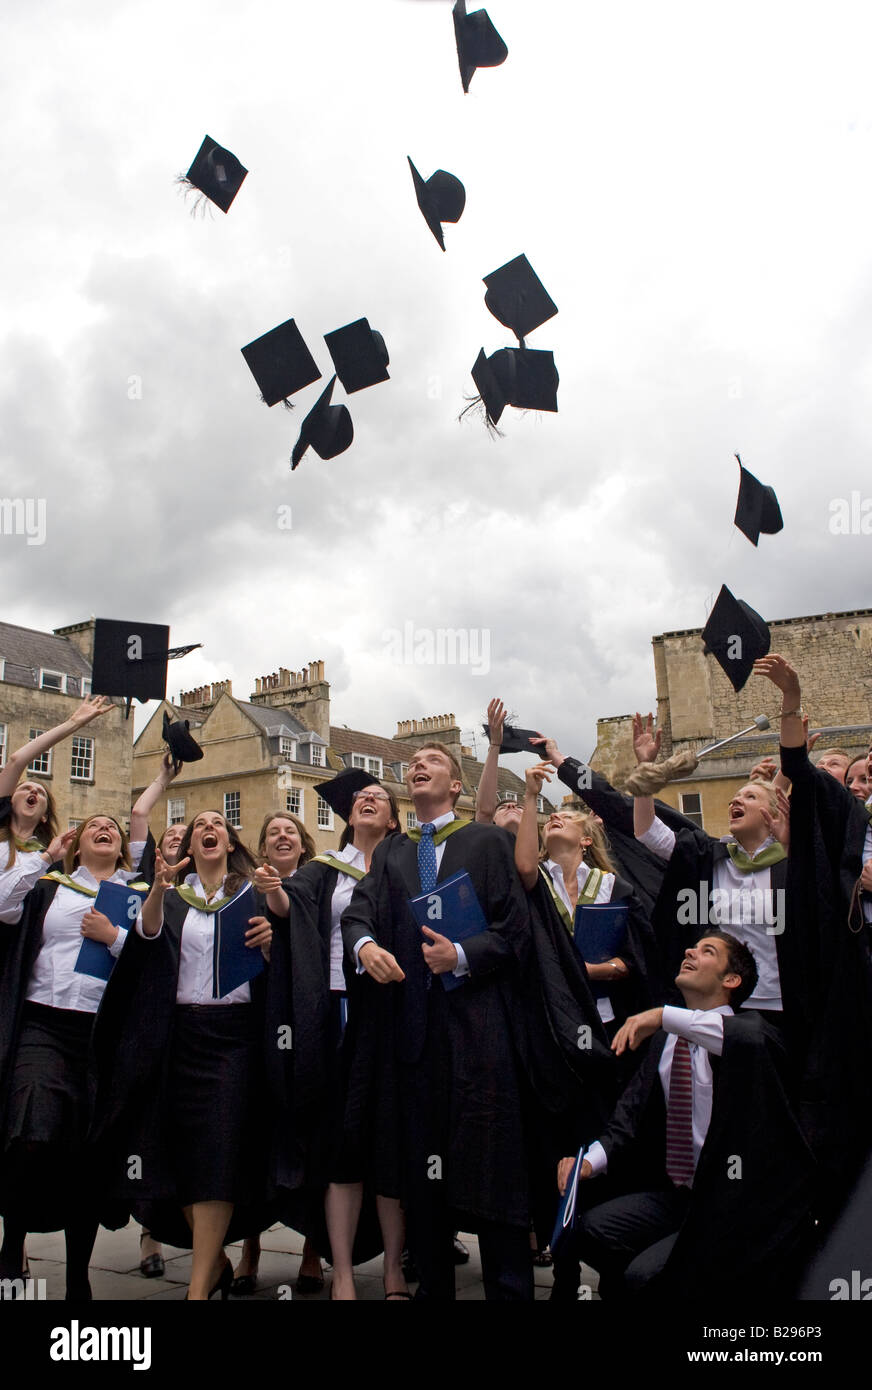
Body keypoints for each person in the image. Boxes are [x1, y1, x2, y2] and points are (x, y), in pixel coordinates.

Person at [341, 742, 535, 1301]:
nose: (417, 767)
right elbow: (358, 913)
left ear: (456, 785)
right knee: (423, 1177)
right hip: (415, 1033)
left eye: (433, 761)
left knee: (492, 1161)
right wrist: (366, 946)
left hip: (480, 1030)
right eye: (412, 764)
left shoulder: (488, 842)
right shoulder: (393, 855)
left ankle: (507, 1287)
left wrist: (463, 956)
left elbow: (514, 930)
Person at [558, 931, 814, 1297]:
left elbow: (741, 1038)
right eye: (692, 946)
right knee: (593, 1231)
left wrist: (663, 1015)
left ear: (731, 980)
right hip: (677, 1198)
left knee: (643, 1278)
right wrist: (587, 1162)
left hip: (731, 1205)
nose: (690, 951)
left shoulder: (752, 1037)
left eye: (707, 951)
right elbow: (625, 1120)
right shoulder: (665, 1038)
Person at [90, 810, 279, 1300]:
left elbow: (280, 954)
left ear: (229, 839)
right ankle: (213, 1262)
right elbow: (146, 937)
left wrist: (270, 944)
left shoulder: (250, 892)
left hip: (234, 1037)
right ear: (191, 845)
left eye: (218, 823)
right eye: (199, 826)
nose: (209, 828)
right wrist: (156, 887)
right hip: (180, 1035)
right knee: (180, 1156)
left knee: (217, 1152)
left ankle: (197, 1292)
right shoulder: (173, 897)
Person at [0, 810, 148, 1301]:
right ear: (76, 844)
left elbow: (155, 961)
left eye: (113, 827)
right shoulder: (49, 887)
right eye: (93, 827)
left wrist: (114, 936)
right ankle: (12, 1242)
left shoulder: (136, 896)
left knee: (85, 1155)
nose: (105, 829)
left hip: (100, 1034)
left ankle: (78, 1277)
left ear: (122, 846)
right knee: (30, 1133)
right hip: (43, 1023)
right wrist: (45, 855)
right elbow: (3, 904)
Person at [280, 774, 410, 1301]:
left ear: (396, 820)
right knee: (341, 1140)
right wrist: (273, 906)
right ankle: (343, 1274)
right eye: (360, 799)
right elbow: (289, 909)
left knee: (391, 1139)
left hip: (392, 1007)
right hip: (336, 1005)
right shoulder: (324, 871)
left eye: (378, 798)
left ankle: (396, 1269)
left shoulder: (408, 869)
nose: (366, 801)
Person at [754, 654, 872, 1226]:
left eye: (861, 776)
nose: (859, 783)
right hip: (840, 994)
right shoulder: (838, 823)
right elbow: (798, 766)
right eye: (854, 777)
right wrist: (792, 701)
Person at [631, 712, 795, 1039]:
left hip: (783, 1001)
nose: (736, 799)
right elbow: (648, 832)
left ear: (773, 813)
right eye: (735, 797)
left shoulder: (794, 862)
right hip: (722, 1003)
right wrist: (645, 770)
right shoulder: (710, 856)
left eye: (750, 796)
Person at [230, 809, 317, 1296]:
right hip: (260, 1017)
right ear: (263, 848)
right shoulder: (245, 891)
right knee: (258, 1131)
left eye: (290, 831)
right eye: (272, 834)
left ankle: (311, 1247)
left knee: (307, 1127)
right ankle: (250, 1246)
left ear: (303, 845)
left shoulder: (317, 884)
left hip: (306, 1017)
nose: (282, 837)